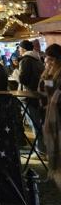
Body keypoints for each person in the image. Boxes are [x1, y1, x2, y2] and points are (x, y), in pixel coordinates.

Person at [18, 39, 46, 153]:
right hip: (38, 95)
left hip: (29, 95)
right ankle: (43, 147)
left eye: (19, 48)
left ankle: (40, 149)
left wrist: (16, 74)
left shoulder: (26, 60)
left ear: (23, 49)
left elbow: (23, 79)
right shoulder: (37, 59)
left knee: (34, 123)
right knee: (38, 122)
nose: (19, 50)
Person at [42, 43, 61, 188]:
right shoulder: (51, 72)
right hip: (53, 115)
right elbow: (47, 92)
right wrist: (47, 74)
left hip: (58, 115)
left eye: (51, 59)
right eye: (48, 59)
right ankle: (54, 173)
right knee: (53, 144)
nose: (48, 62)